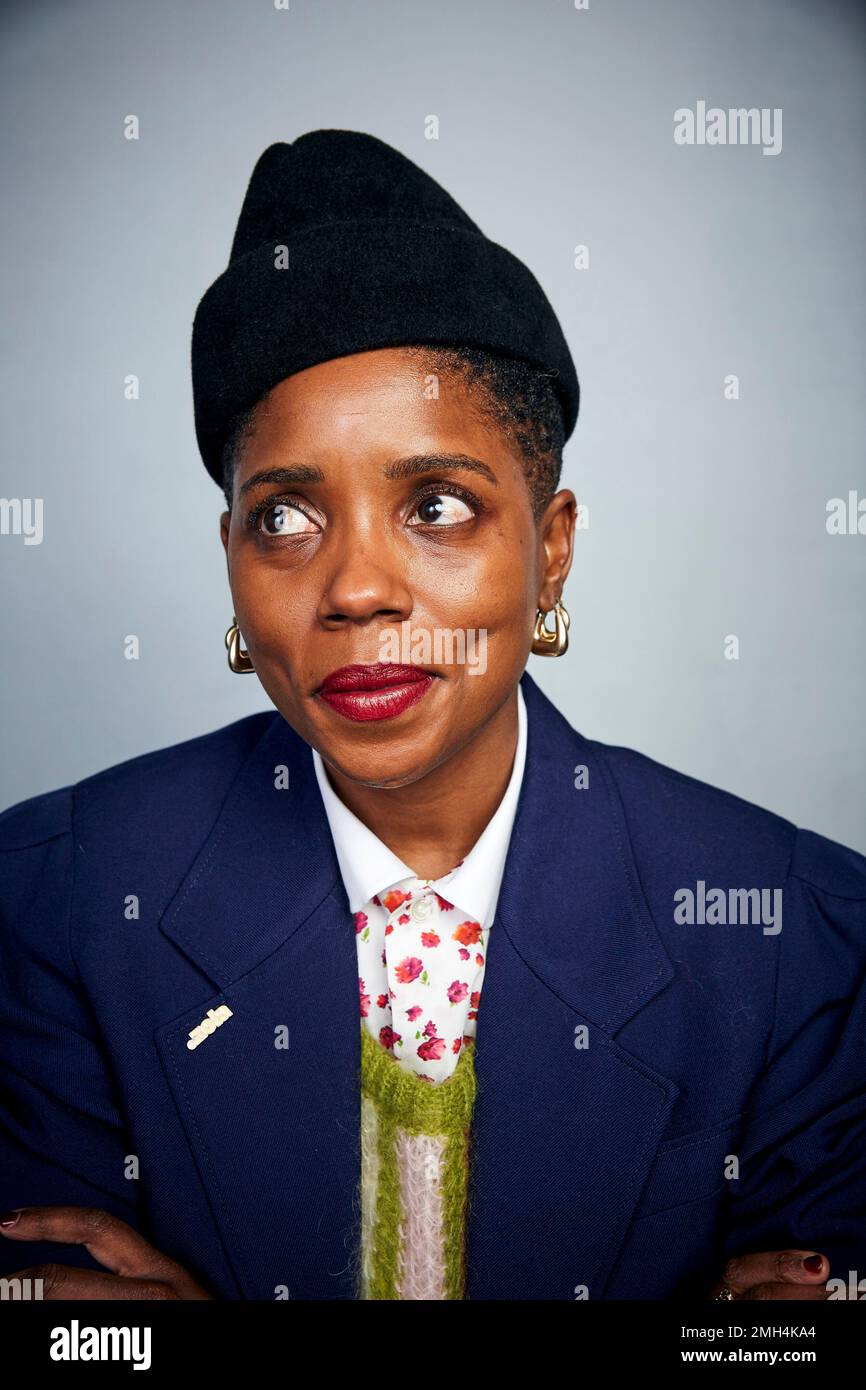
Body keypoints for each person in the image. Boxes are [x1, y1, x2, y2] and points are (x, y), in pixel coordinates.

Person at [1, 130, 864, 1302]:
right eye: (286, 520)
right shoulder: (56, 899)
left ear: (549, 549)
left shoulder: (791, 935)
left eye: (438, 504)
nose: (355, 587)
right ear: (230, 560)